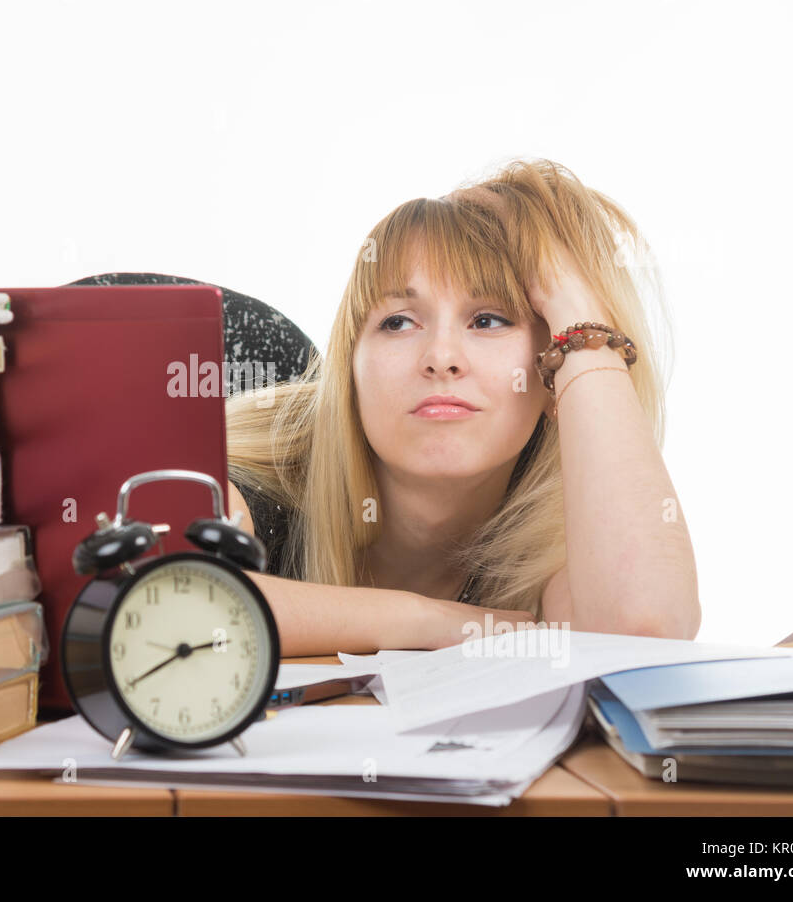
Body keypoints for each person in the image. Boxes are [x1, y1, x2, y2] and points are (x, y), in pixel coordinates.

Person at [226, 158, 701, 656]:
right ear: (350, 368)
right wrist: (422, 619)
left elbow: (643, 630)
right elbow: (156, 597)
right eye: (398, 322)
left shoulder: (565, 536)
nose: (441, 359)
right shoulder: (257, 463)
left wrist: (575, 304)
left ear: (553, 371)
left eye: (490, 320)